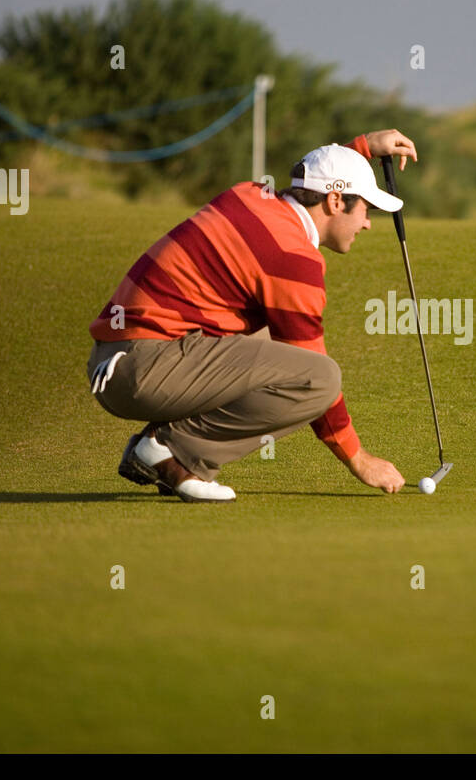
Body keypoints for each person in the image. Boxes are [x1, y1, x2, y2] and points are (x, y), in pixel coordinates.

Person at [85, 129, 418, 502]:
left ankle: (165, 448)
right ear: (336, 201)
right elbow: (312, 373)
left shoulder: (250, 194)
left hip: (118, 360)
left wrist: (362, 149)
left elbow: (316, 175)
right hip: (143, 369)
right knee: (320, 378)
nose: (367, 223)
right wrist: (358, 459)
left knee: (270, 345)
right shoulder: (294, 259)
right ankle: (172, 451)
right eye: (367, 209)